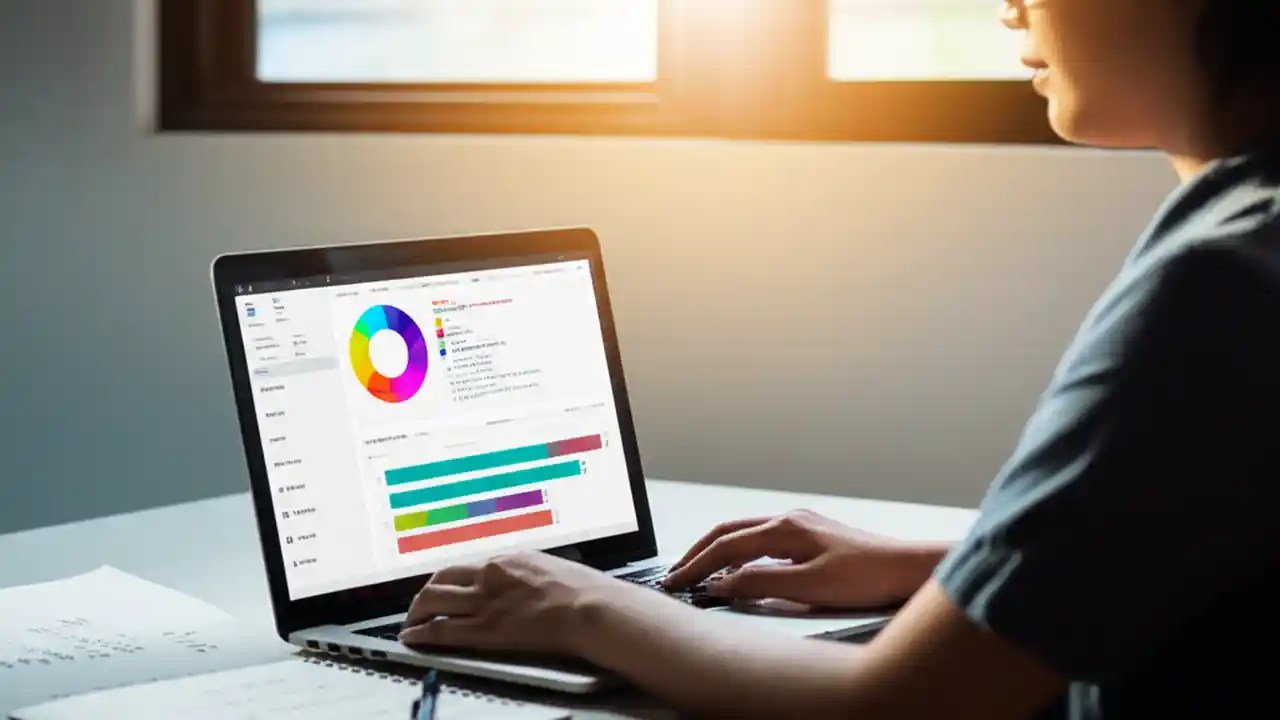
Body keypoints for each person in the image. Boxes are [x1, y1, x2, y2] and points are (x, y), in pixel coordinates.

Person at [398, 1, 1280, 717]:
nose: (1007, 9)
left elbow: (898, 705)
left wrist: (581, 604)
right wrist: (945, 569)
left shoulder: (1220, 286)